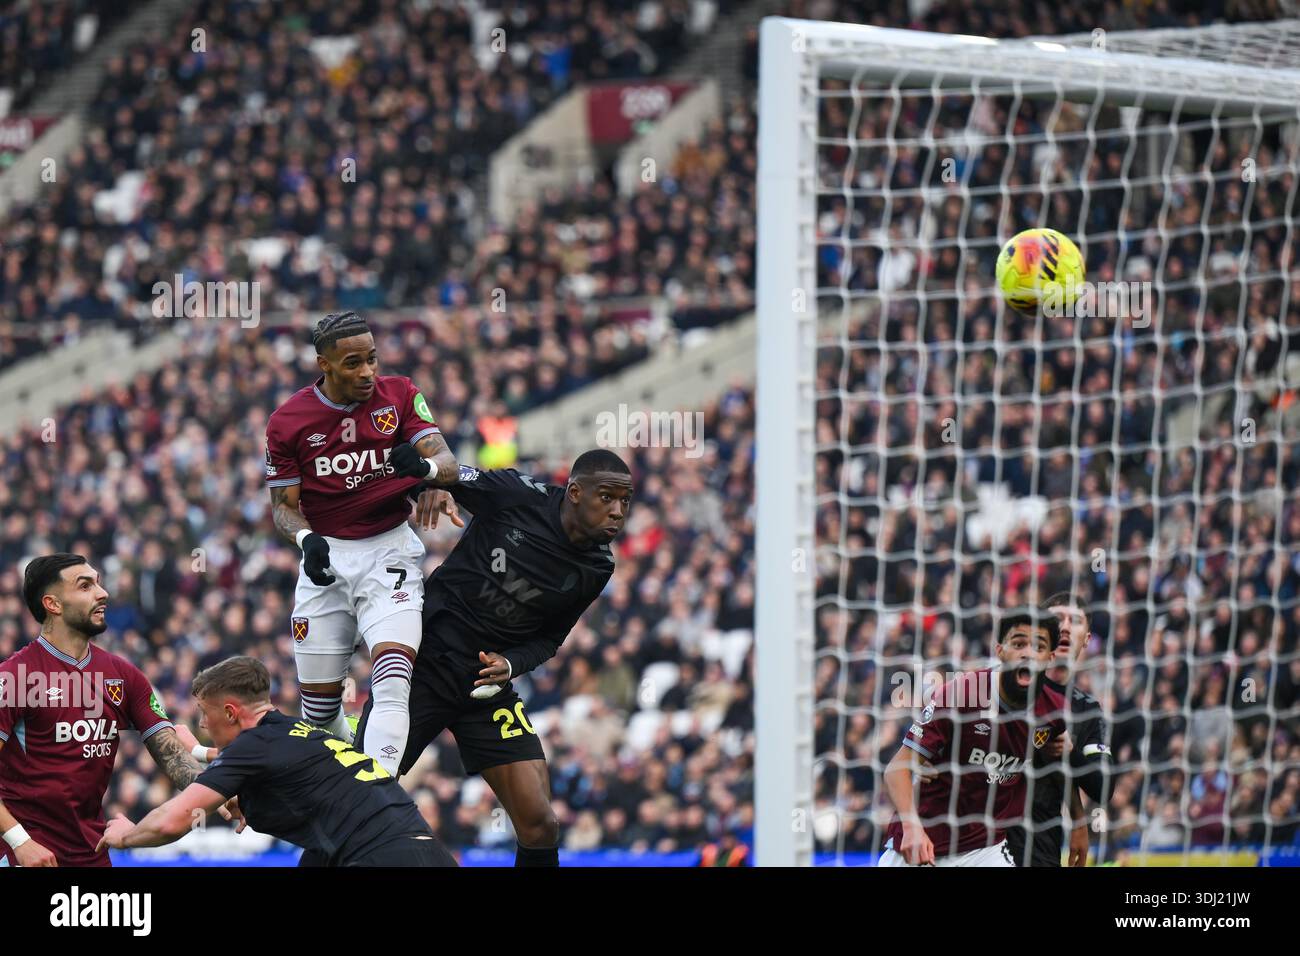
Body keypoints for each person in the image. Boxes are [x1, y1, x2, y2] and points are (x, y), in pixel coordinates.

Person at [355, 449, 633, 866]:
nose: (617, 512)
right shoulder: (518, 495)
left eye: (625, 502)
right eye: (607, 498)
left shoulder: (597, 566)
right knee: (359, 804)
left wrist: (511, 665)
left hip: (485, 687)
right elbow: (443, 472)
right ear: (575, 492)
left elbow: (550, 639)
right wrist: (431, 482)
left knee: (540, 823)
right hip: (425, 666)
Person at [265, 310, 458, 776]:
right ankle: (353, 781)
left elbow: (447, 461)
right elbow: (282, 506)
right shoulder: (288, 421)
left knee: (392, 680)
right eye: (352, 363)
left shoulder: (402, 394)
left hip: (389, 550)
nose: (367, 372)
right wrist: (307, 538)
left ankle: (379, 797)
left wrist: (427, 472)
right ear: (323, 364)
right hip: (327, 559)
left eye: (371, 359)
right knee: (317, 710)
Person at [98, 656, 456, 867]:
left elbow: (173, 820)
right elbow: (261, 764)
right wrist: (198, 752)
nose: (203, 725)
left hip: (380, 859)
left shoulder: (256, 745)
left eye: (205, 714)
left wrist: (126, 836)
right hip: (427, 853)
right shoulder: (298, 732)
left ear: (230, 712)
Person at [0, 554, 217, 867]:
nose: (102, 593)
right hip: (27, 856)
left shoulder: (124, 675)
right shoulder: (14, 678)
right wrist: (20, 842)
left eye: (99, 583)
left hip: (94, 852)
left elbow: (171, 754)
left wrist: (218, 793)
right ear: (53, 604)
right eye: (85, 586)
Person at [879, 609, 1068, 867]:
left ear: (1050, 657)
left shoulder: (1054, 712)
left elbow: (1058, 752)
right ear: (1000, 650)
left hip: (984, 850)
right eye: (1019, 643)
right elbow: (896, 769)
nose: (1028, 653)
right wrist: (912, 830)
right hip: (922, 845)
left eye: (1039, 646)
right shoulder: (962, 694)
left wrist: (1079, 824)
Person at [1004, 593, 1111, 866]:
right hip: (987, 835)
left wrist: (1071, 753)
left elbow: (1103, 788)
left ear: (1087, 638)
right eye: (1056, 618)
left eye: (1074, 620)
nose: (1064, 626)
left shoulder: (1087, 710)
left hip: (1043, 844)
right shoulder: (1004, 684)